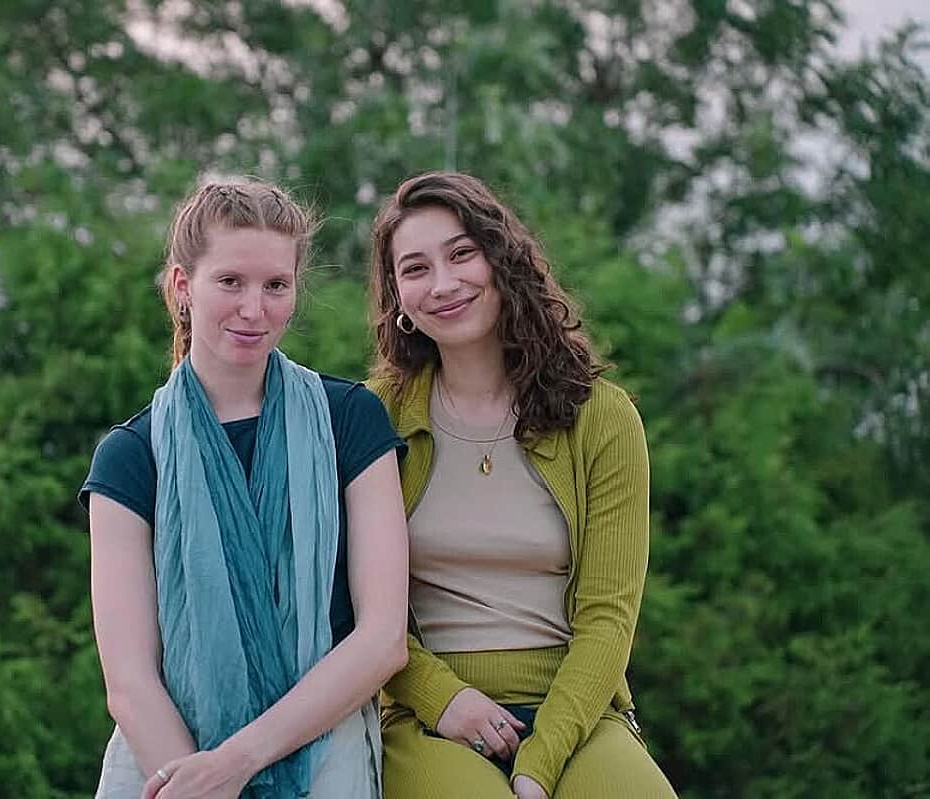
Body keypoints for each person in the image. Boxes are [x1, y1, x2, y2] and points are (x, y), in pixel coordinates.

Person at [79, 178, 409, 799]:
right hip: (167, 756)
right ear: (183, 286)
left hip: (324, 741)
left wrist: (235, 763)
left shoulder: (350, 421)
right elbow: (130, 683)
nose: (254, 309)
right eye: (230, 281)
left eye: (275, 285)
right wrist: (198, 782)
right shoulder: (129, 458)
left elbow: (383, 640)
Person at [366, 172, 677, 798]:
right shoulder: (373, 418)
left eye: (462, 254)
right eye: (416, 268)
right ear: (398, 296)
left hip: (577, 709)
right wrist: (442, 698)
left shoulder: (603, 417)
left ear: (502, 260)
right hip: (431, 717)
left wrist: (541, 762)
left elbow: (609, 619)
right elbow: (355, 609)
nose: (443, 284)